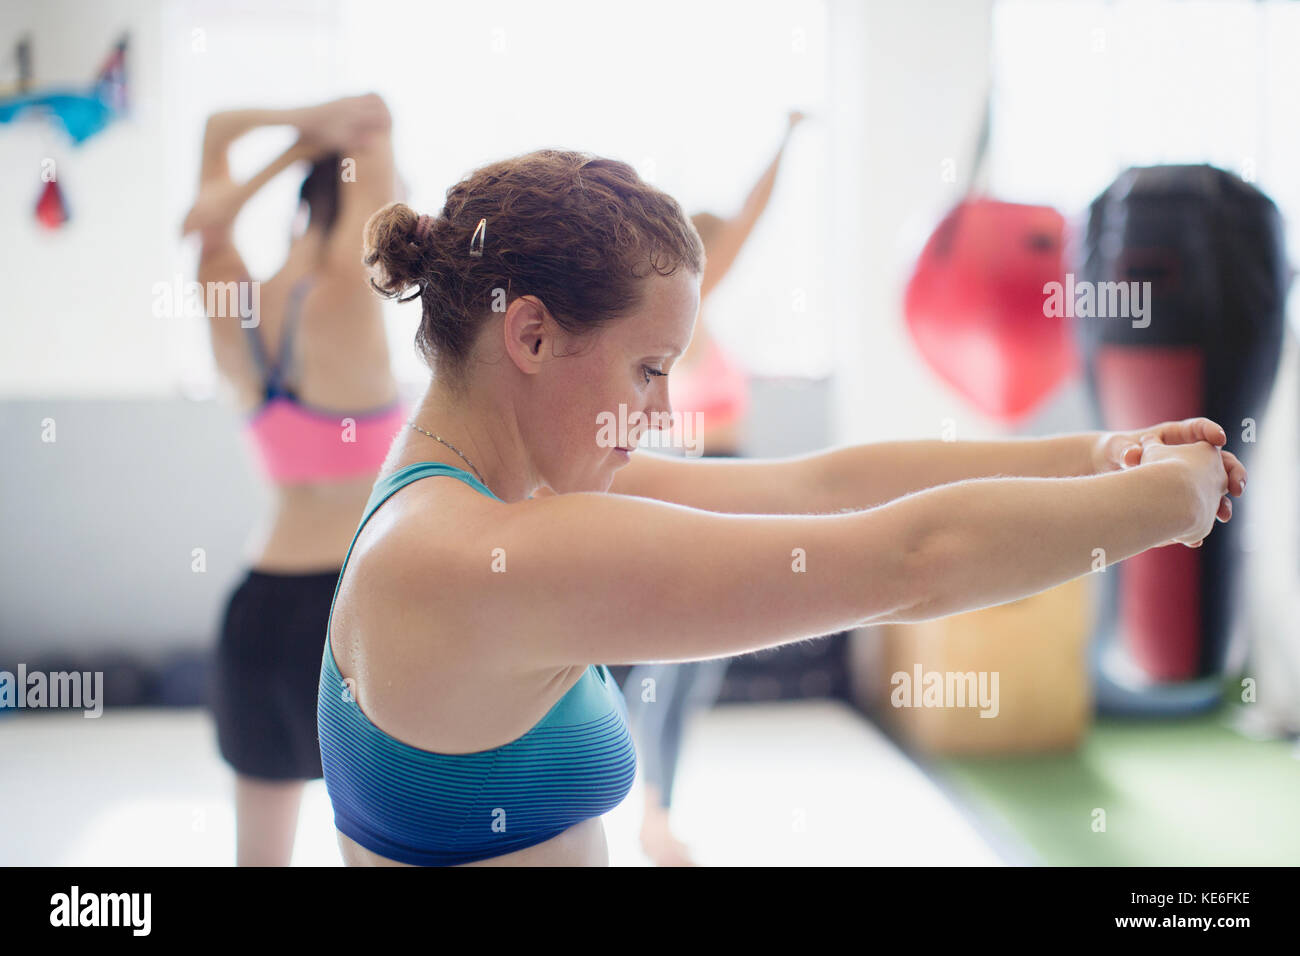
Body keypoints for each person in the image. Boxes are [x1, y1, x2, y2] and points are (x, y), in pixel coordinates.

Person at [316, 147, 1245, 867]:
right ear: (529, 333)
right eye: (647, 371)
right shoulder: (482, 554)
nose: (662, 413)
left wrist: (1093, 455)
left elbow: (819, 486)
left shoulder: (484, 494)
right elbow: (908, 563)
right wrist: (1163, 504)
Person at [182, 94, 403, 866]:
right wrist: (334, 140)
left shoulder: (230, 291)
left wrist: (297, 141)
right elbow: (376, 118)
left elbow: (214, 140)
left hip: (260, 611)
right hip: (356, 615)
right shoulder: (353, 284)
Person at [622, 110, 805, 866]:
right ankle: (653, 812)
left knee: (694, 665)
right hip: (702, 485)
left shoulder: (708, 327)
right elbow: (748, 224)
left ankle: (654, 806)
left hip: (727, 484)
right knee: (679, 664)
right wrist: (786, 142)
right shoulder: (684, 315)